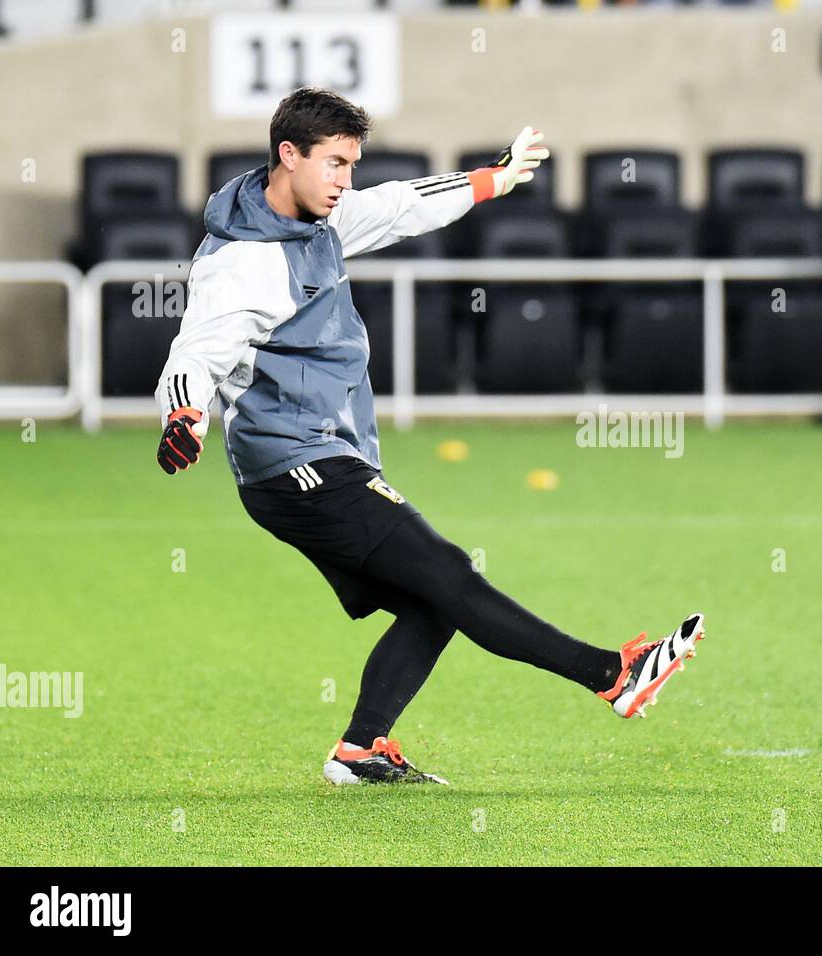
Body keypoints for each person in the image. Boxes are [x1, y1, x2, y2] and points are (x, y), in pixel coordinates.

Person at [154, 87, 705, 785]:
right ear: (287, 156)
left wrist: (493, 178)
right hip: (297, 467)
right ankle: (612, 674)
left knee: (430, 602)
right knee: (451, 576)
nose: (344, 182)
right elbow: (194, 354)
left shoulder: (321, 220)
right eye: (333, 164)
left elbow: (402, 205)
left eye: (352, 165)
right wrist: (184, 415)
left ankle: (361, 749)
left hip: (322, 460)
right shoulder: (238, 263)